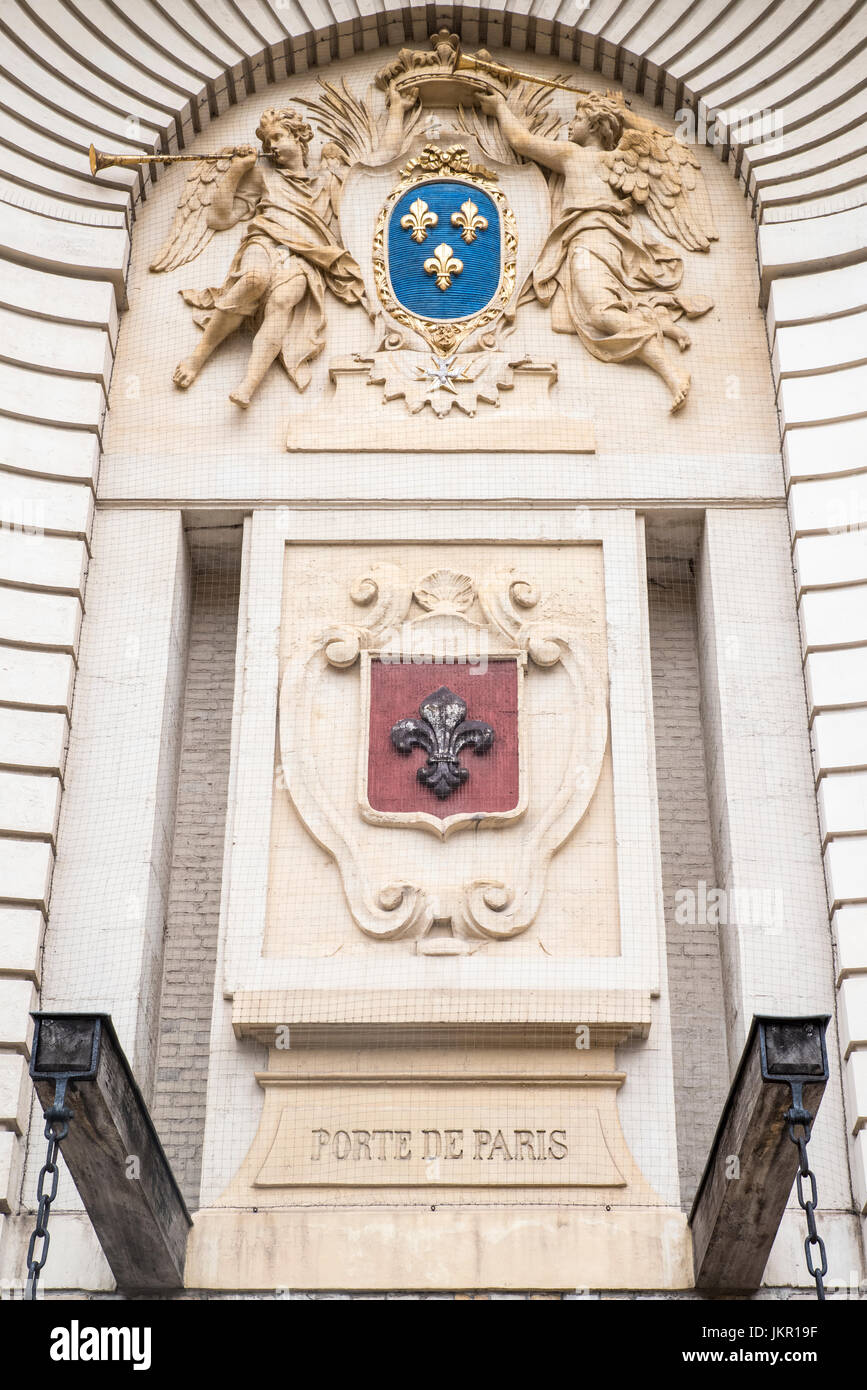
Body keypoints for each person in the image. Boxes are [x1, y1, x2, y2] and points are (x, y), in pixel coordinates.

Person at [173, 83, 417, 407]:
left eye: (278, 138)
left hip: (306, 257)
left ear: (299, 139)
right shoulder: (264, 177)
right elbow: (219, 218)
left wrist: (398, 109)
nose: (272, 146)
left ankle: (249, 383)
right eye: (268, 141)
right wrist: (235, 171)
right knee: (254, 280)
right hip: (265, 241)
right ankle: (199, 355)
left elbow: (380, 164)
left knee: (283, 300)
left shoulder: (328, 180)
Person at [478, 88, 712, 412]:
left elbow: (521, 141)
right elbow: (665, 145)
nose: (570, 125)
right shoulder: (616, 161)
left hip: (590, 240)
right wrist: (626, 115)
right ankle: (658, 325)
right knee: (601, 308)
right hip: (604, 241)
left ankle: (671, 370)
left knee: (599, 312)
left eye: (577, 118)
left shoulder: (573, 155)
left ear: (594, 124)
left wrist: (500, 105)